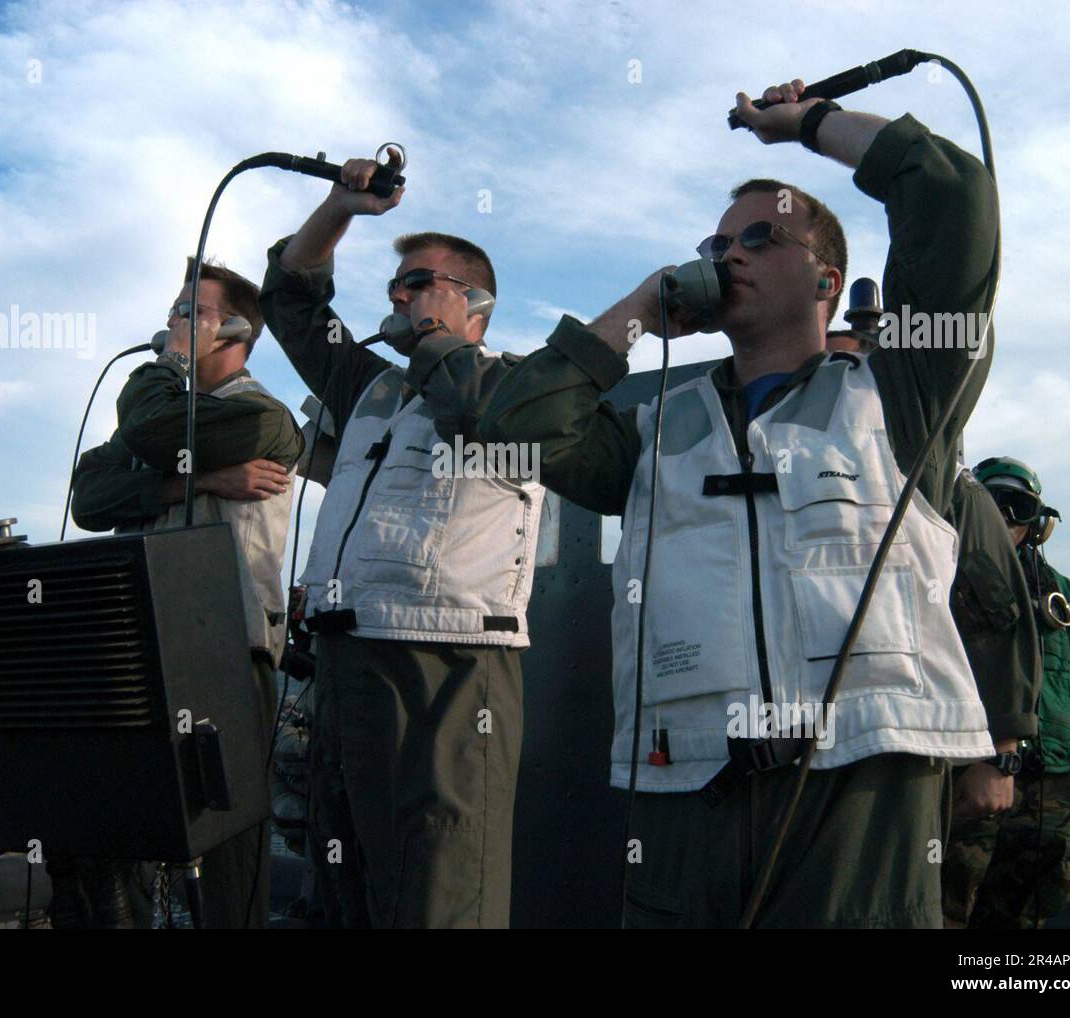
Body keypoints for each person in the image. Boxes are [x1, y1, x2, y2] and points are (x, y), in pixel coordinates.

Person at [481, 79, 999, 927]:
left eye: (763, 236)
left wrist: (805, 126)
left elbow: (953, 195)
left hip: (860, 799)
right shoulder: (653, 430)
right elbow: (515, 429)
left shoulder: (899, 394)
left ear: (828, 276)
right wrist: (644, 312)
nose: (732, 256)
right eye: (717, 244)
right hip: (684, 796)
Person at [258, 151, 544, 928]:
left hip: (446, 668)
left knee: (441, 895)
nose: (399, 294)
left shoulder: (517, 385)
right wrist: (340, 209)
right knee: (344, 889)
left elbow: (482, 413)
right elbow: (288, 298)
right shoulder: (370, 387)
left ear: (475, 303)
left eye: (420, 282)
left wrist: (433, 344)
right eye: (397, 284)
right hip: (346, 659)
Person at [71, 257, 304, 928]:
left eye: (188, 313)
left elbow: (152, 432)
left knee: (228, 845)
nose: (170, 323)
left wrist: (167, 366)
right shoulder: (157, 416)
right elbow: (90, 494)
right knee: (123, 835)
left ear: (233, 329)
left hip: (225, 649)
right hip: (141, 649)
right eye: (174, 310)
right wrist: (195, 482)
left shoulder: (262, 417)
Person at [827, 327, 1040, 824]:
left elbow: (998, 616)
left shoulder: (953, 490)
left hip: (930, 748)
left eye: (845, 368)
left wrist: (999, 754)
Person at [941, 456, 1070, 928]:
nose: (1004, 519)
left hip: (1049, 788)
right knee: (946, 903)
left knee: (1039, 898)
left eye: (1018, 506)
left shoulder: (1063, 597)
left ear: (1039, 523)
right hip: (965, 784)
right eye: (992, 504)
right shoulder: (938, 580)